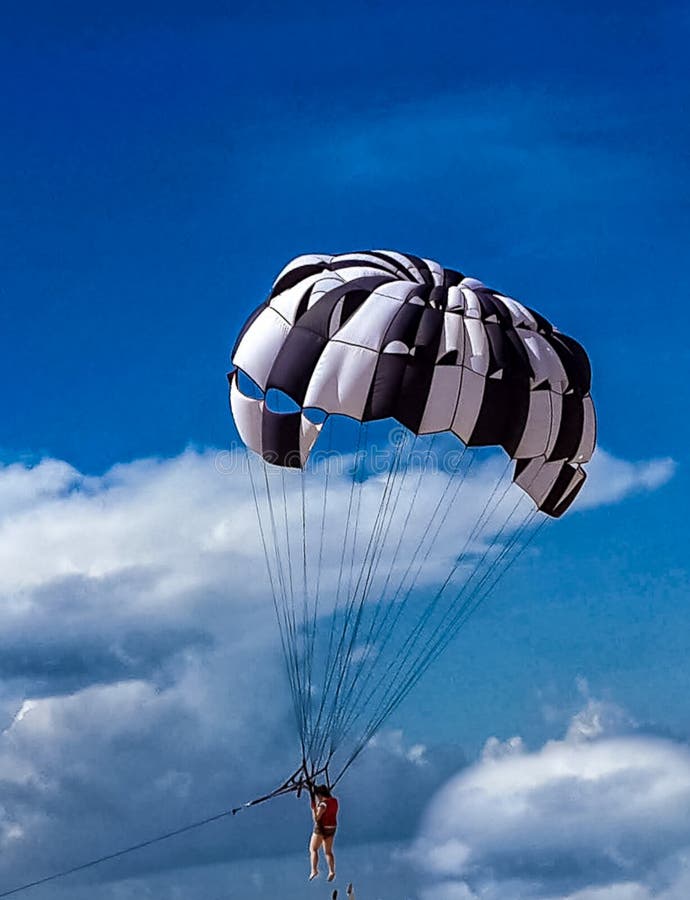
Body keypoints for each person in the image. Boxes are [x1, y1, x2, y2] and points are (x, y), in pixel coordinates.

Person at [308, 784, 338, 882]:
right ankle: (332, 871)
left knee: (313, 849)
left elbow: (316, 818)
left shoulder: (323, 804)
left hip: (322, 827)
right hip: (332, 827)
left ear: (320, 794)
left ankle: (314, 870)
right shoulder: (334, 801)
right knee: (328, 852)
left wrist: (313, 808)